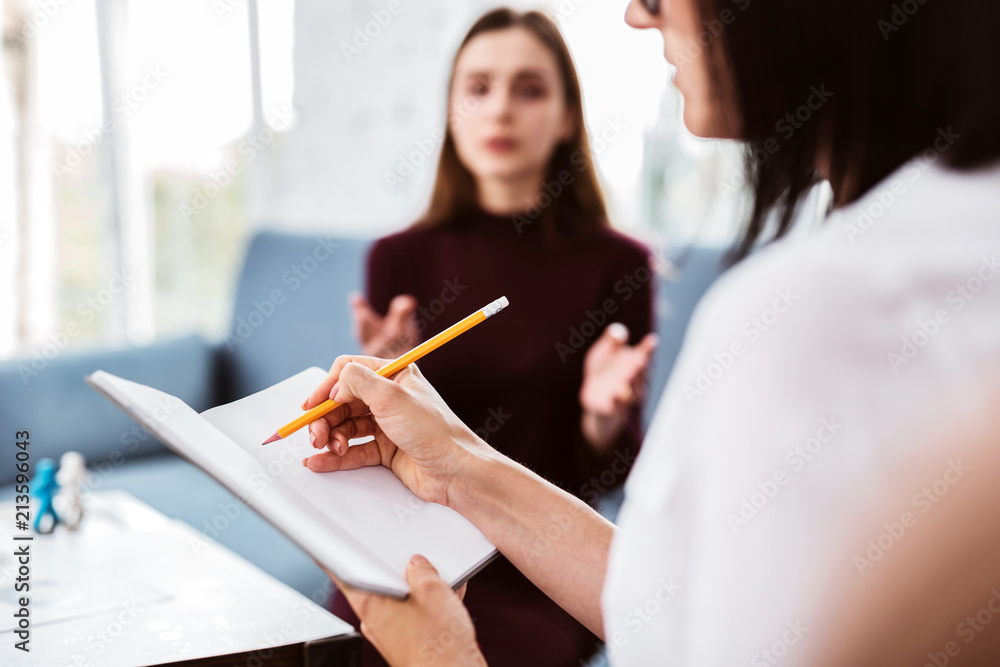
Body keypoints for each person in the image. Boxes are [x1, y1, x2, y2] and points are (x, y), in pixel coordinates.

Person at [302, 0, 1000, 664]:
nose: (637, 13)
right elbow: (671, 606)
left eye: (529, 89)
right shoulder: (914, 257)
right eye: (478, 88)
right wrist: (453, 458)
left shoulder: (797, 305)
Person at [312, 9, 657, 666]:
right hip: (415, 548)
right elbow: (375, 459)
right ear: (451, 111)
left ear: (566, 117)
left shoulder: (619, 265)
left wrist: (601, 420)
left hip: (544, 564)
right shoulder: (398, 258)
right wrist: (382, 385)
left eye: (529, 89)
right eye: (478, 88)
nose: (500, 109)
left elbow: (612, 476)